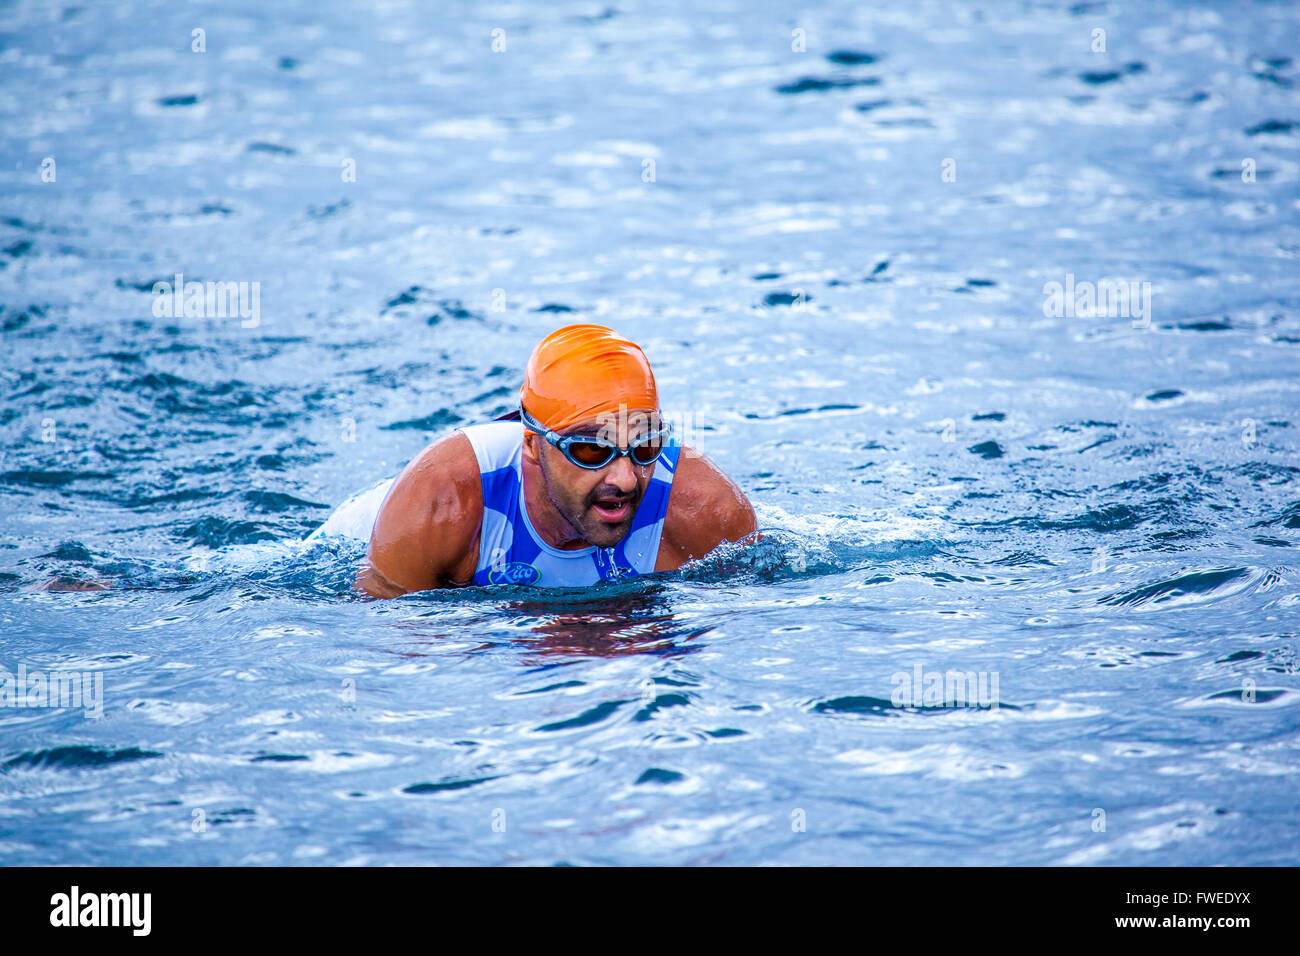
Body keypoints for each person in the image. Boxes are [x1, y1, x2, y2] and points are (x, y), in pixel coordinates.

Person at [354, 324, 756, 597]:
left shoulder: (708, 513)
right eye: (592, 450)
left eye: (645, 446)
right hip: (368, 527)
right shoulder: (440, 502)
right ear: (532, 445)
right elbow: (394, 657)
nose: (627, 479)